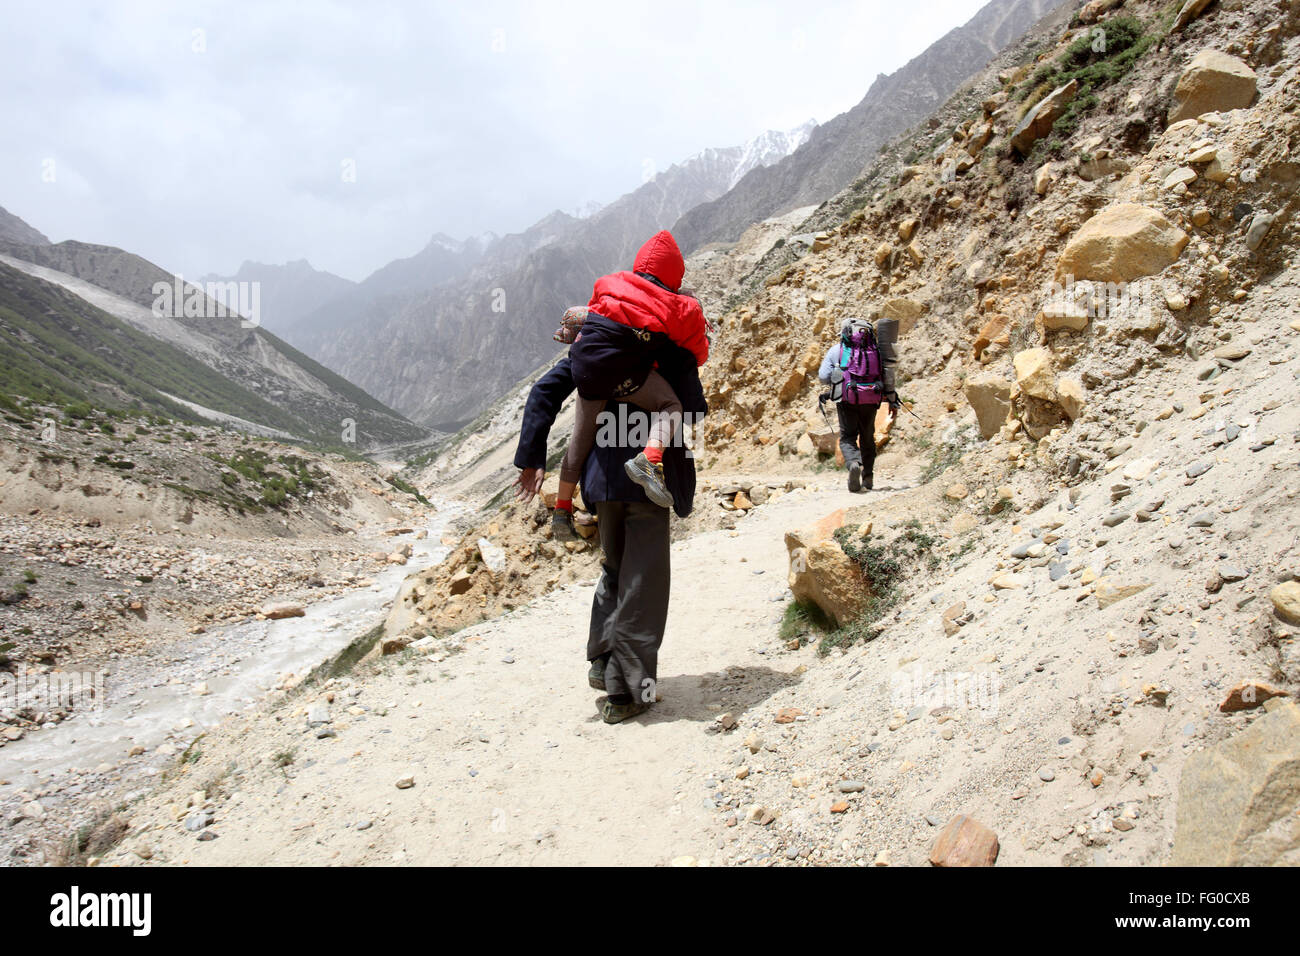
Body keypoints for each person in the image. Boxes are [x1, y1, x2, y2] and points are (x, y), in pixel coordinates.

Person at [513, 338, 705, 723]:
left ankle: (602, 661)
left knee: (614, 569)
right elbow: (694, 409)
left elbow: (542, 392)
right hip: (645, 479)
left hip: (600, 479)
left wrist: (532, 455)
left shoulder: (591, 353)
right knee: (644, 584)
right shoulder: (661, 346)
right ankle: (627, 691)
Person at [548, 231, 710, 542]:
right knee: (670, 406)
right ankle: (648, 460)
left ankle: (561, 508)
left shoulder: (608, 282)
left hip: (585, 369)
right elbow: (695, 351)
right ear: (675, 272)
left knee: (579, 440)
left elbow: (595, 311)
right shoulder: (678, 304)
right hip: (625, 375)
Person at [817, 317, 900, 492]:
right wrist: (892, 398)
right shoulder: (875, 351)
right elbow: (887, 374)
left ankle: (854, 463)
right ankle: (868, 478)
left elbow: (823, 376)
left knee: (848, 437)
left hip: (847, 400)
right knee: (867, 437)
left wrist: (838, 376)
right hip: (871, 399)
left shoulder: (836, 350)